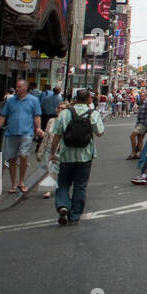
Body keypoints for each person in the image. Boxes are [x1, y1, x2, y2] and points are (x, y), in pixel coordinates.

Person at [49, 88, 104, 226]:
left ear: (75, 98)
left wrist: (52, 153)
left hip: (66, 155)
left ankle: (62, 206)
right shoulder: (93, 114)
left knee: (63, 183)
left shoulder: (65, 113)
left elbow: (56, 134)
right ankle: (74, 216)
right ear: (88, 100)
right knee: (80, 185)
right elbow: (100, 133)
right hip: (85, 155)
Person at [0, 79, 43, 194]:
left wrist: (38, 128)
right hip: (11, 133)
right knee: (12, 159)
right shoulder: (10, 101)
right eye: (16, 87)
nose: (17, 89)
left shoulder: (33, 100)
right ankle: (14, 184)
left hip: (26, 133)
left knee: (23, 155)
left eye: (19, 87)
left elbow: (37, 116)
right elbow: (3, 115)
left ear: (26, 88)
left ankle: (21, 181)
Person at [129, 93, 147, 159]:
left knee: (132, 135)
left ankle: (133, 152)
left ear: (145, 96)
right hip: (139, 122)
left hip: (143, 123)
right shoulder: (141, 102)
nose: (141, 97)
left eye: (142, 96)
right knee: (140, 138)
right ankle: (140, 153)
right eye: (140, 96)